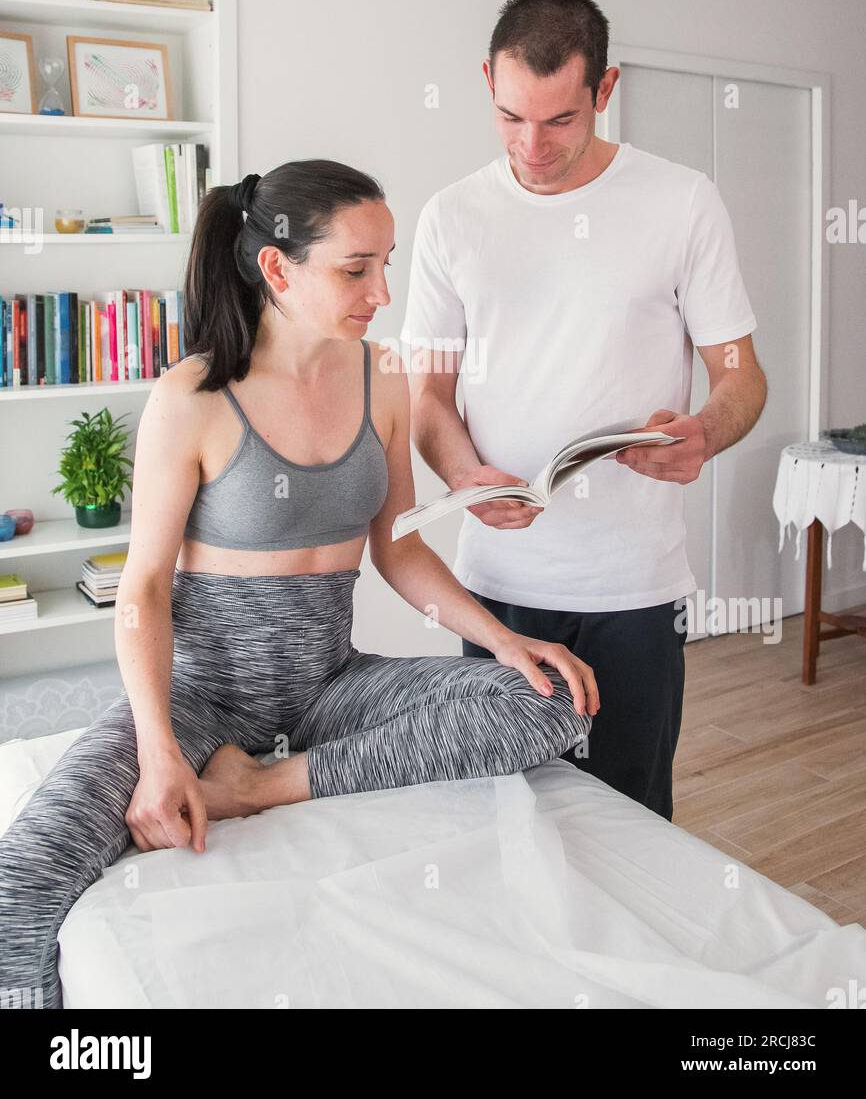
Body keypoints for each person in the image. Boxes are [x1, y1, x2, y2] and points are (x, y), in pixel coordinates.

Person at [0, 158, 599, 1010]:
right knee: (22, 879)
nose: (381, 291)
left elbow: (396, 547)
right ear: (278, 269)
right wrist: (162, 751)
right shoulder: (194, 397)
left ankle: (256, 787)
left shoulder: (382, 376)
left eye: (386, 263)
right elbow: (142, 592)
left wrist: (505, 641)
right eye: (357, 270)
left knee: (547, 699)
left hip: (330, 685)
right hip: (205, 697)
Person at [400, 0, 767, 823]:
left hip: (634, 588)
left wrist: (706, 431)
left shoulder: (681, 201)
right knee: (503, 818)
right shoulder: (452, 217)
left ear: (605, 91)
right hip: (499, 589)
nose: (530, 146)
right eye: (509, 117)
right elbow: (427, 397)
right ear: (487, 80)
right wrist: (463, 473)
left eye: (559, 120)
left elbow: (743, 376)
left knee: (630, 827)